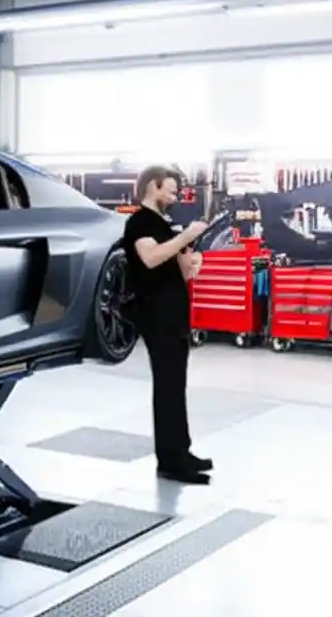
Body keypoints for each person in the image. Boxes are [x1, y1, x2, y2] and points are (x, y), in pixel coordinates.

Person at [121, 165, 213, 484]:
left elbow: (175, 269)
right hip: (155, 314)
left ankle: (181, 451)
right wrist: (186, 236)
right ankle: (171, 461)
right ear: (152, 188)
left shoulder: (160, 223)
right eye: (170, 191)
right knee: (167, 387)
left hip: (173, 315)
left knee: (176, 386)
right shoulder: (140, 222)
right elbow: (149, 258)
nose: (173, 197)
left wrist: (191, 265)